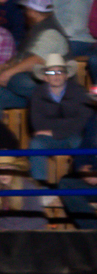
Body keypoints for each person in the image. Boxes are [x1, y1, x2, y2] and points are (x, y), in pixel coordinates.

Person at [0, 0, 69, 114]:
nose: (25, 13)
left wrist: (7, 73)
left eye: (27, 10)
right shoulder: (36, 30)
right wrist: (6, 66)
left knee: (16, 79)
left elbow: (36, 60)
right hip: (33, 87)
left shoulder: (50, 33)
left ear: (33, 12)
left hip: (50, 85)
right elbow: (22, 55)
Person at [26, 53, 93, 183]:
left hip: (73, 137)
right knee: (36, 144)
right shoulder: (37, 94)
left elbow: (83, 121)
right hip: (53, 138)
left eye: (60, 71)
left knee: (81, 144)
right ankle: (41, 185)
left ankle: (79, 183)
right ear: (45, 77)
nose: (56, 75)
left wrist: (54, 131)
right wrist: (68, 124)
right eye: (51, 72)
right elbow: (37, 124)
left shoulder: (79, 92)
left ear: (66, 75)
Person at [33, 0, 96, 72]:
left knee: (52, 58)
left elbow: (78, 24)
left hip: (77, 38)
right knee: (29, 52)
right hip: (51, 38)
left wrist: (52, 37)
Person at [0, 155, 48, 229]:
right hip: (8, 235)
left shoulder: (28, 188)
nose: (3, 174)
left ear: (14, 169)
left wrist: (16, 230)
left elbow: (40, 219)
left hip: (30, 233)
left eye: (7, 169)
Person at [58, 114, 97, 228]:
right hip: (91, 178)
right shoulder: (94, 120)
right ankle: (93, 230)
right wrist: (82, 169)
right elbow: (83, 150)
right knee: (66, 184)